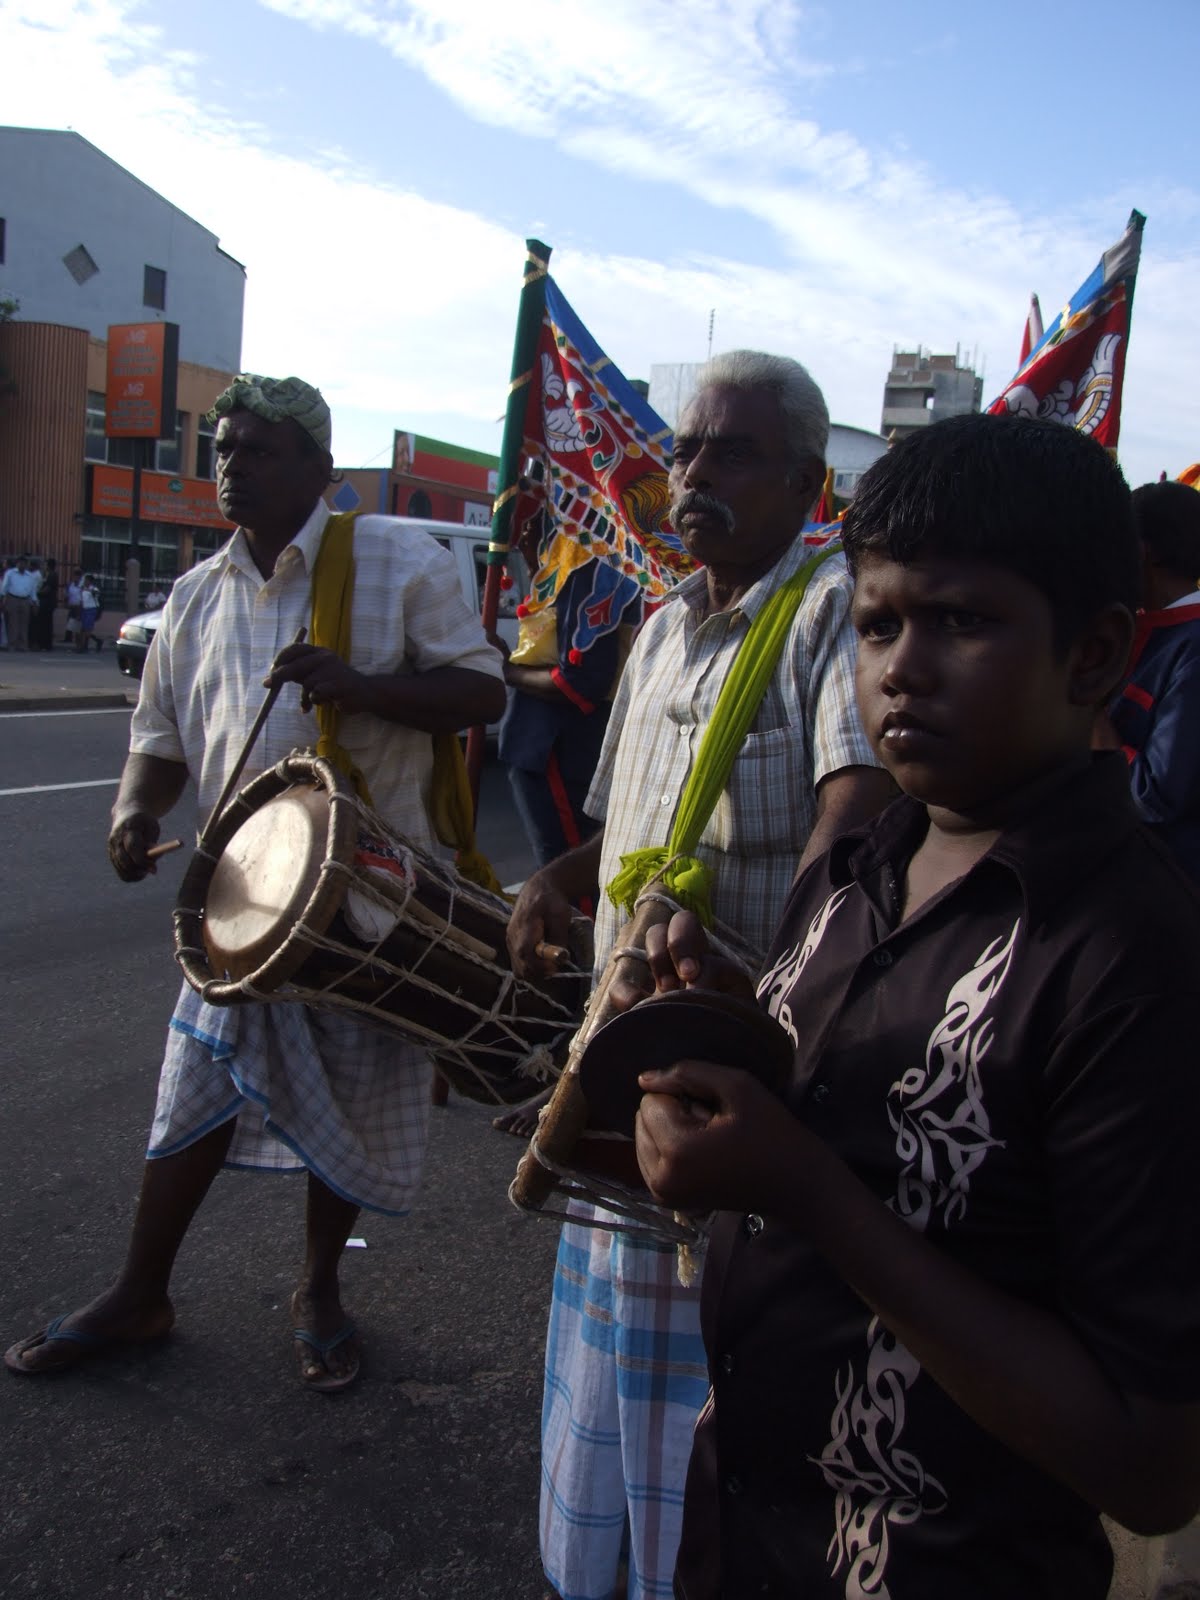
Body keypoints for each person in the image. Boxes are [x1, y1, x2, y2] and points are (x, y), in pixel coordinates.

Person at [630, 412, 1200, 1599]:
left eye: (963, 621)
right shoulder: (862, 865)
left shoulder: (1135, 959)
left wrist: (808, 1195)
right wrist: (721, 1025)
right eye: (880, 622)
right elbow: (852, 1095)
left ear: (1095, 656)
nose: (902, 665)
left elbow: (1152, 1464)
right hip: (743, 1529)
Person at [4, 373, 505, 1391]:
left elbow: (481, 688)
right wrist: (133, 810)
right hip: (240, 905)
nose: (231, 466)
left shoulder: (398, 561)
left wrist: (364, 688)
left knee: (354, 1097)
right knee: (193, 1083)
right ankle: (142, 1292)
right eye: (223, 450)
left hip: (369, 901)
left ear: (320, 468)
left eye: (258, 451)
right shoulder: (195, 596)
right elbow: (161, 739)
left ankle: (320, 1287)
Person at [506, 350, 892, 1600]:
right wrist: (548, 886)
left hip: (736, 1069)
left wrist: (744, 970)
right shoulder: (665, 625)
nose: (692, 475)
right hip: (621, 1060)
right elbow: (622, 827)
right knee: (612, 1377)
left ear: (807, 480)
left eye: (728, 451)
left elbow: (856, 817)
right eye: (682, 451)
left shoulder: (830, 606)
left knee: (711, 1401)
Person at [1099, 479, 1200, 881]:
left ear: (1142, 552)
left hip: (1162, 887)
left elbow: (1153, 797)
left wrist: (1086, 714)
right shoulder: (1138, 625)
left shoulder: (1191, 646)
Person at [1, 554, 38, 651]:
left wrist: (34, 603)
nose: (22, 565)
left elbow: (33, 590)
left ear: (26, 564)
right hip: (13, 598)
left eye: (24, 563)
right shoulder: (10, 573)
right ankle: (12, 645)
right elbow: (5, 587)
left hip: (25, 600)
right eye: (20, 563)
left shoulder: (29, 576)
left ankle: (22, 645)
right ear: (17, 564)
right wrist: (3, 600)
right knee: (13, 623)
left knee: (24, 623)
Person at [32, 557, 58, 650]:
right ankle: (44, 644)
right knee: (44, 624)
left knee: (45, 624)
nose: (44, 566)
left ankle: (46, 644)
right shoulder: (47, 574)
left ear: (49, 565)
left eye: (45, 564)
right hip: (46, 602)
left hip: (48, 603)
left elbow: (47, 589)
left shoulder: (52, 575)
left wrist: (36, 593)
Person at [64, 567, 83, 645]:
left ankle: (78, 641)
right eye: (75, 575)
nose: (76, 577)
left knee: (77, 624)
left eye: (78, 576)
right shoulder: (70, 585)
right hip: (72, 606)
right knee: (70, 623)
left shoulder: (81, 586)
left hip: (79, 606)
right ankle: (68, 638)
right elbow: (66, 594)